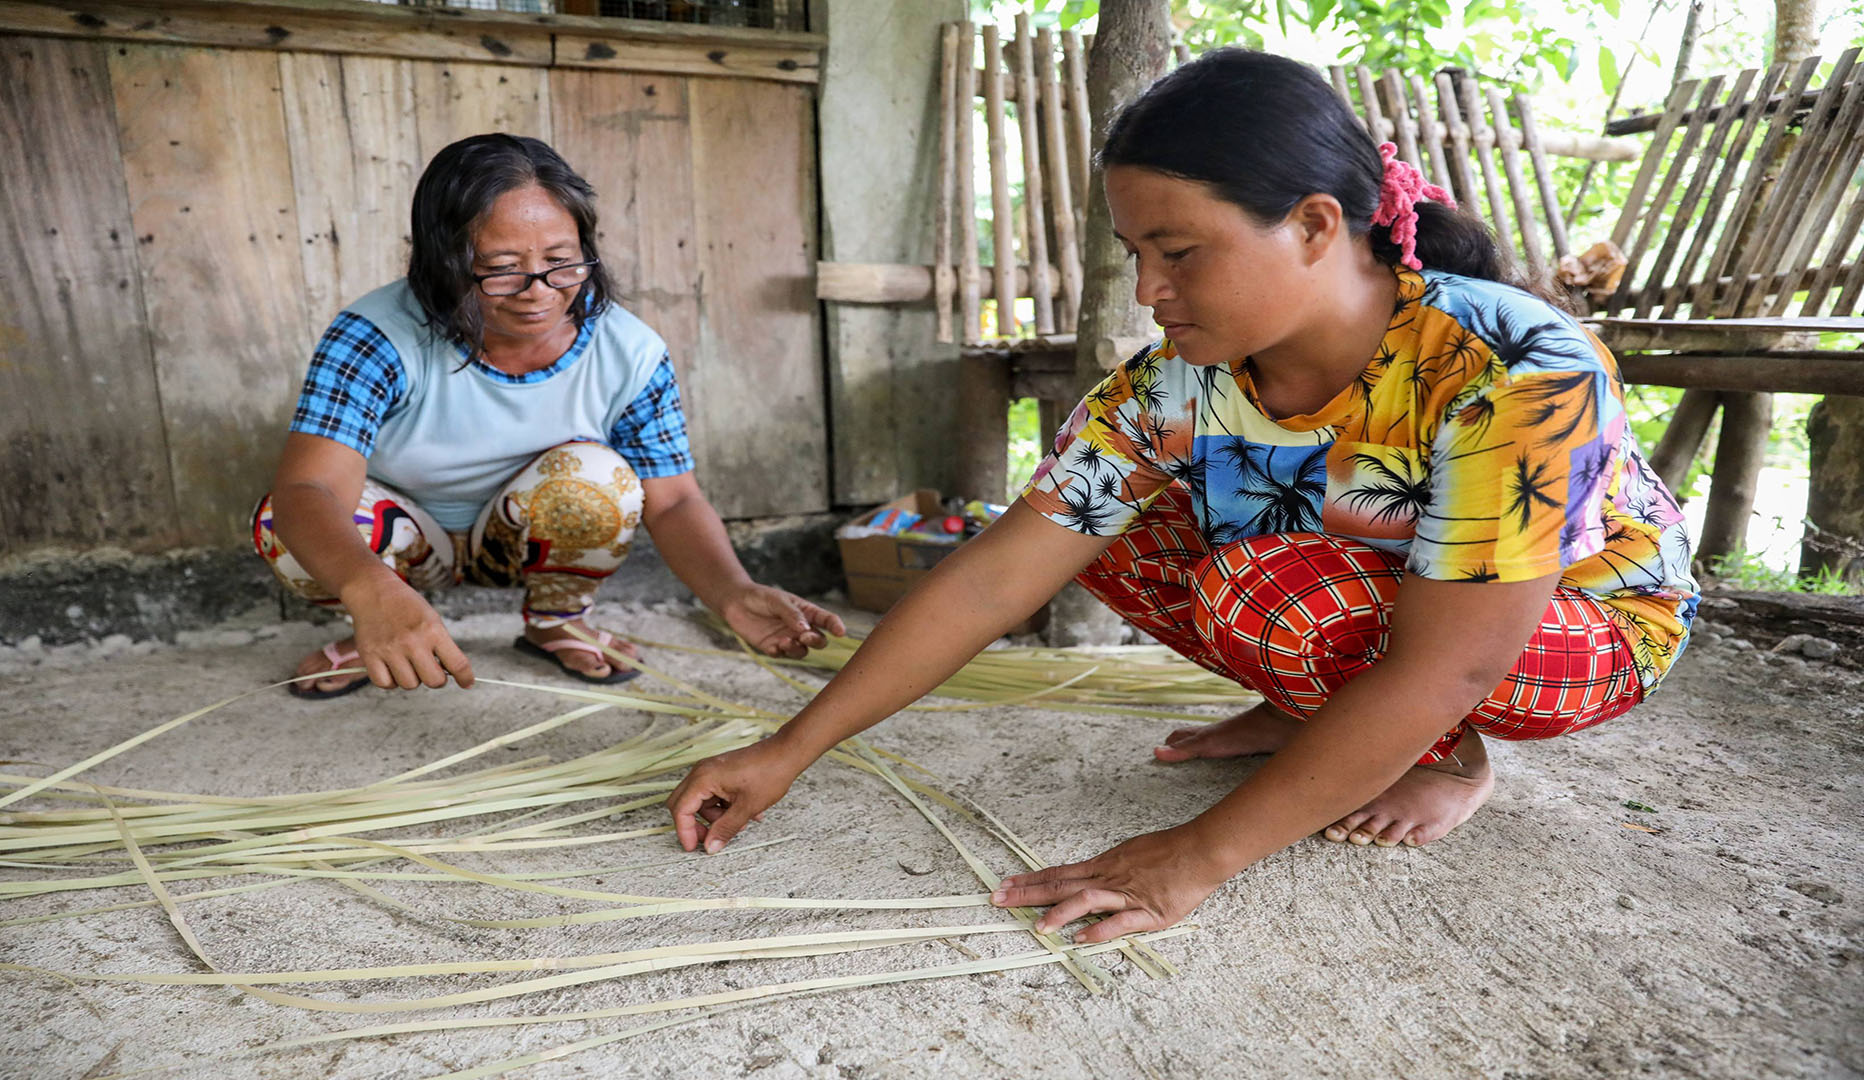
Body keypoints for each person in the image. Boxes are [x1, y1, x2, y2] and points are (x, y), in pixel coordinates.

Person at [666, 50, 1697, 943]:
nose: (1148, 291)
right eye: (1136, 254)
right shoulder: (1177, 383)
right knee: (1096, 525)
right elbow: (992, 580)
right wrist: (790, 749)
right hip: (1376, 572)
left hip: (1583, 624)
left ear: (1313, 225)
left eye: (1179, 252)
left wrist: (1196, 857)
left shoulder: (1512, 368)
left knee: (1270, 596)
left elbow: (1453, 659)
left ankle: (1447, 761)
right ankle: (1322, 717)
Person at [255, 133, 842, 698]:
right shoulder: (375, 336)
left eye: (561, 260)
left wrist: (732, 592)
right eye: (502, 267)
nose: (538, 290)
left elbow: (674, 501)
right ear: (442, 261)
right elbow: (309, 488)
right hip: (399, 542)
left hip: (520, 542)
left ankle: (556, 621)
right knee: (285, 520)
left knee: (599, 477)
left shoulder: (629, 352)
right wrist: (369, 590)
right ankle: (382, 623)